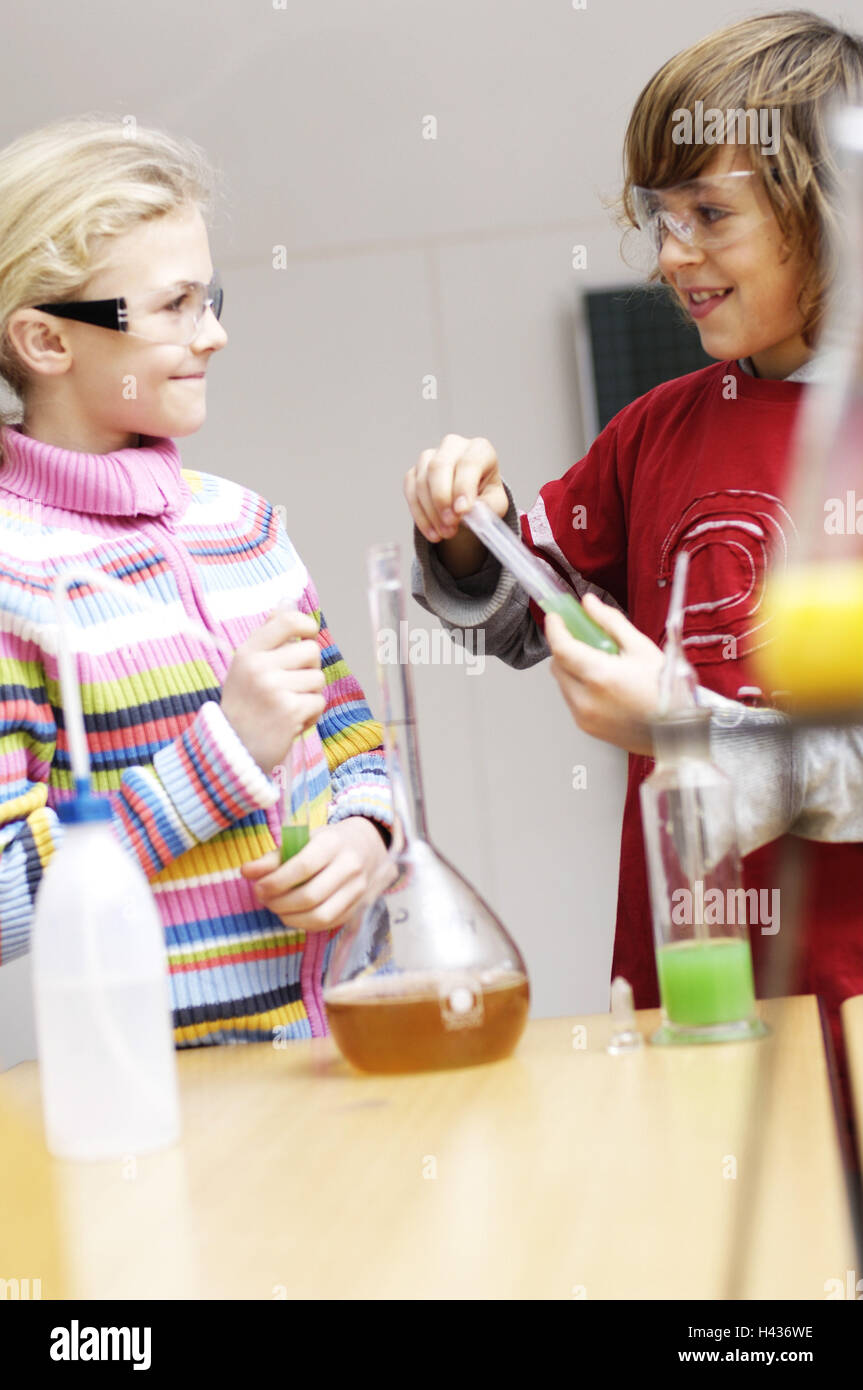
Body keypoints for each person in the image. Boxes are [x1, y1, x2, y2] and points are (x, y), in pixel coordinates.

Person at [405, 12, 863, 1105]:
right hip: (698, 1006)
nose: (669, 257)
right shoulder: (656, 430)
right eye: (658, 218)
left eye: (709, 214)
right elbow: (528, 622)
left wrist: (679, 722)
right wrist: (472, 539)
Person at [0, 116, 392, 1047]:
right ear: (46, 342)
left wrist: (366, 841)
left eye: (210, 298)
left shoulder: (245, 524)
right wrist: (219, 757)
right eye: (173, 306)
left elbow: (359, 753)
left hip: (357, 1065)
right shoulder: (12, 577)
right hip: (166, 1115)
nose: (212, 335)